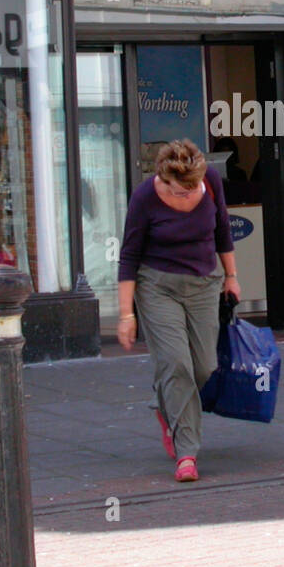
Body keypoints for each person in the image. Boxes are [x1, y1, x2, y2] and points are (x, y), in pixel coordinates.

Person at [117, 139, 239, 483]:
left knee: (204, 366)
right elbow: (128, 257)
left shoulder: (211, 181)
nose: (186, 196)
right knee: (177, 364)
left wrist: (232, 276)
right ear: (162, 178)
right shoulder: (144, 197)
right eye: (178, 191)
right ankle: (187, 453)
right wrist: (126, 315)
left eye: (192, 190)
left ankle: (164, 403)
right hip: (158, 287)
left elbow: (223, 231)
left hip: (203, 284)